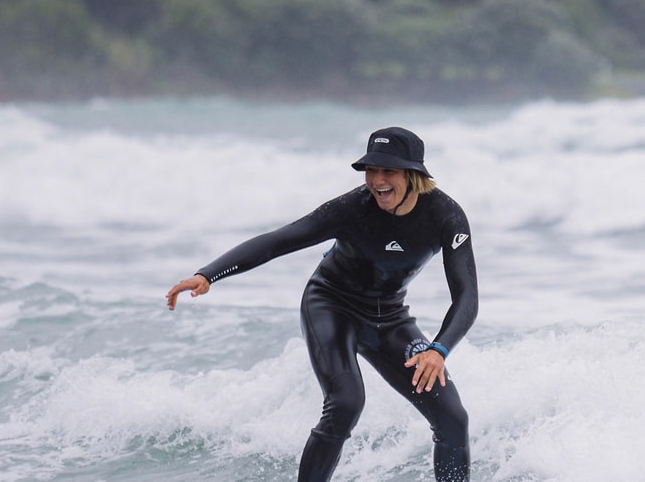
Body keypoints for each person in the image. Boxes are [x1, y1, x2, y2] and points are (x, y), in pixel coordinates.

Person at [166, 127, 478, 482]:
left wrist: (438, 349)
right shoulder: (352, 208)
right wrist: (208, 274)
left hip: (389, 317)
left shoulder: (445, 216)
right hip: (331, 305)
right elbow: (281, 239)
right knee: (346, 403)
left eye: (387, 171)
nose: (377, 181)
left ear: (414, 174)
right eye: (370, 170)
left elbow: (467, 295)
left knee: (453, 419)